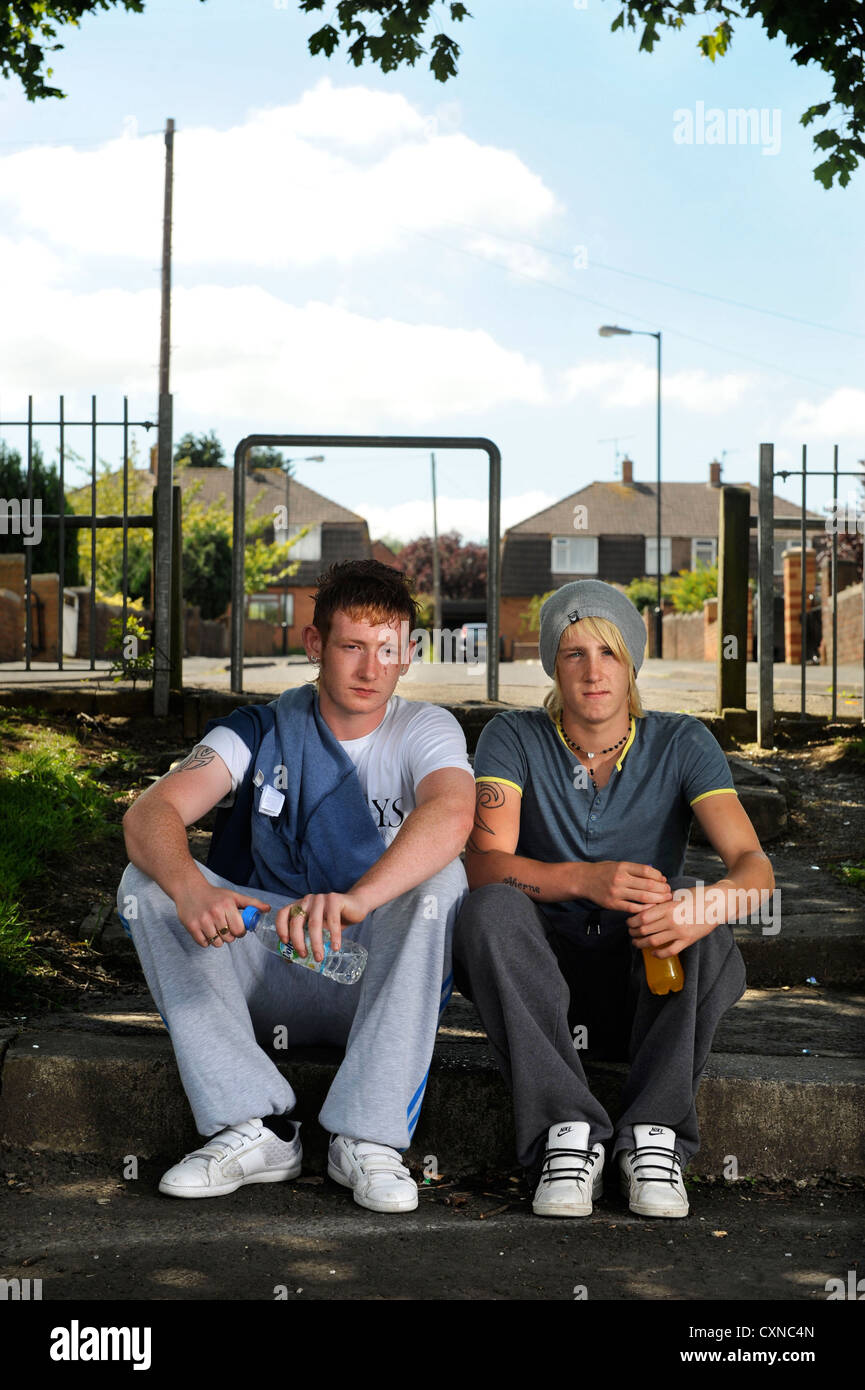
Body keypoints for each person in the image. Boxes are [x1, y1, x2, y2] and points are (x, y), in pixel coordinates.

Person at [118, 559, 474, 1213]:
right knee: (145, 882)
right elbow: (149, 814)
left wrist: (360, 897)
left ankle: (365, 1139)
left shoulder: (426, 728)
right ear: (315, 646)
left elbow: (452, 813)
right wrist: (191, 889)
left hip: (373, 966)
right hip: (268, 959)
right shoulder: (256, 729)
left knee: (442, 878)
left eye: (387, 651)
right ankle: (255, 1128)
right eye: (351, 647)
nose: (370, 669)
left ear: (408, 656)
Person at [454, 579, 773, 1220]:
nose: (594, 671)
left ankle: (653, 1138)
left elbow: (754, 870)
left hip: (648, 980)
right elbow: (484, 865)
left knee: (692, 901)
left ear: (632, 662)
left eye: (609, 652)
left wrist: (704, 906)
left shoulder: (682, 741)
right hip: (541, 989)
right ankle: (565, 1134)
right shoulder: (512, 736)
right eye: (574, 654)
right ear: (553, 665)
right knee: (487, 909)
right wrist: (582, 878)